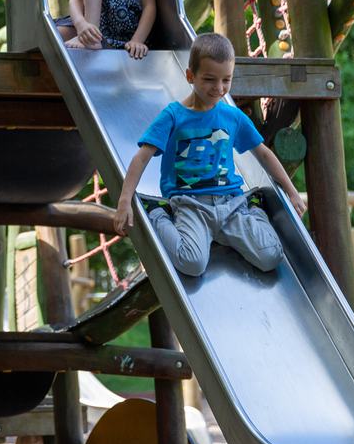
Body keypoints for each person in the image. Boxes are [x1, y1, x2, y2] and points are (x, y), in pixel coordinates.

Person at [112, 32, 308, 276]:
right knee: (191, 264)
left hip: (231, 204)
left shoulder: (232, 116)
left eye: (226, 80)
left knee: (271, 257)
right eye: (209, 79)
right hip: (189, 204)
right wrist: (124, 202)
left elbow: (264, 154)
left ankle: (255, 208)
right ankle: (157, 213)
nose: (219, 88)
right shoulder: (173, 115)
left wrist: (292, 192)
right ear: (190, 76)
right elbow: (141, 157)